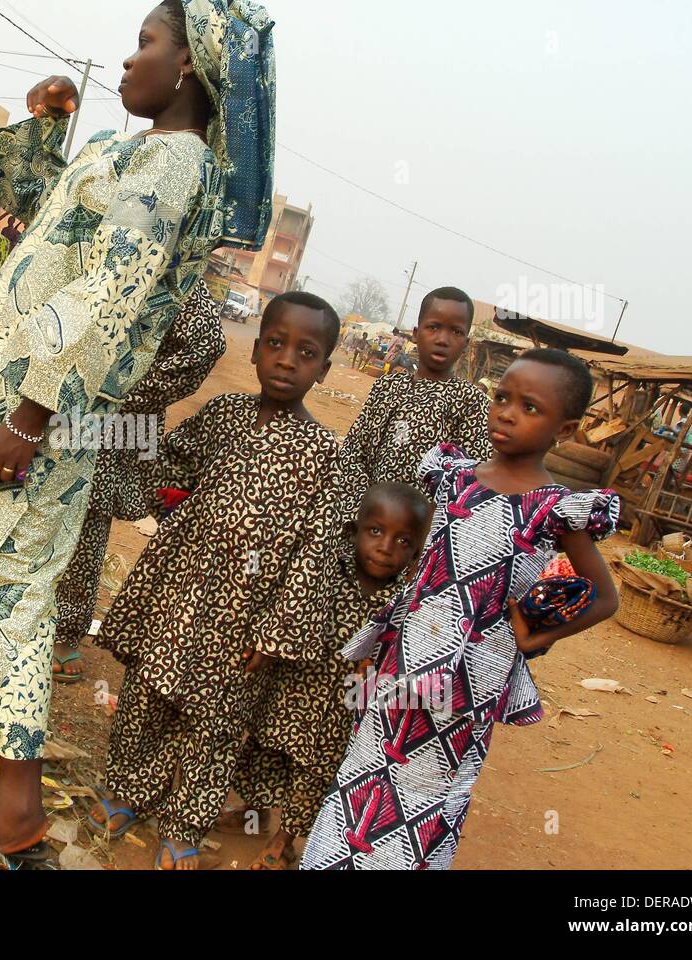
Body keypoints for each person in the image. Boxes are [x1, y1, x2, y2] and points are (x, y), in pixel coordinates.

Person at [0, 0, 277, 860]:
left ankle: (17, 807)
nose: (126, 59)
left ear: (190, 66)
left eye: (146, 43)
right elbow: (42, 217)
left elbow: (104, 296)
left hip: (49, 403)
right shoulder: (132, 151)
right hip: (19, 385)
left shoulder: (177, 164)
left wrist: (32, 415)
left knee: (15, 589)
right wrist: (45, 125)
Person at [302, 348, 620, 869]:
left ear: (565, 430)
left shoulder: (556, 507)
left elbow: (604, 597)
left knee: (430, 799)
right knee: (365, 774)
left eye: (530, 408)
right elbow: (423, 569)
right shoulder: (451, 474)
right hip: (403, 658)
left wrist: (538, 635)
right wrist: (378, 640)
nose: (507, 413)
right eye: (502, 397)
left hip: (471, 685)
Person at [88, 292, 339, 870]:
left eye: (306, 352)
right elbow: (172, 461)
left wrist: (276, 632)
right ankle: (130, 787)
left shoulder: (326, 454)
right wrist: (141, 474)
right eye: (275, 344)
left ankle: (184, 822)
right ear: (256, 350)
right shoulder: (224, 413)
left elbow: (318, 550)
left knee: (217, 721)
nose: (286, 360)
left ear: (323, 369)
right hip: (183, 583)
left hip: (250, 612)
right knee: (150, 690)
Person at [234, 481, 432, 869]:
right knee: (265, 750)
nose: (385, 547)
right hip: (293, 689)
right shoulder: (326, 569)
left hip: (342, 711)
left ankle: (284, 840)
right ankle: (252, 814)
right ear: (354, 529)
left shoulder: (408, 599)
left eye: (402, 541)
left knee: (314, 773)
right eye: (376, 532)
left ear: (415, 552)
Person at [51, 278, 225, 682]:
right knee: (47, 495)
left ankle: (64, 632)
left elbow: (206, 345)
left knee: (90, 516)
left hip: (123, 417)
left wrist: (131, 391)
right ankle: (25, 612)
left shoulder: (176, 270)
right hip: (74, 400)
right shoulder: (105, 246)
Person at [340, 287, 491, 513]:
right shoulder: (387, 386)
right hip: (365, 519)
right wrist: (363, 510)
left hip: (421, 534)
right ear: (415, 333)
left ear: (466, 343)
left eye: (456, 332)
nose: (443, 339)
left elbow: (470, 483)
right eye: (433, 327)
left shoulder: (473, 402)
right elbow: (353, 453)